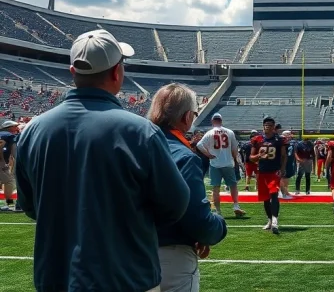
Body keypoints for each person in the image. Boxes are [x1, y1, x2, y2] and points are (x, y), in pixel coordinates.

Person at [15, 29, 190, 292]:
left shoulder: (32, 130)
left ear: (73, 72)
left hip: (55, 277)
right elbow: (175, 205)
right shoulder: (141, 131)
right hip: (126, 277)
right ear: (117, 73)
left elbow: (30, 206)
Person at [149, 84, 227, 292]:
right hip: (171, 254)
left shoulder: (131, 146)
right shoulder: (184, 157)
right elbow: (197, 220)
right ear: (186, 117)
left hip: (126, 252)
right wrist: (218, 226)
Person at [196, 114, 245, 216]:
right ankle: (236, 206)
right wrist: (235, 160)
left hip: (215, 163)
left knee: (216, 188)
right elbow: (234, 149)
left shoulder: (210, 133)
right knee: (233, 185)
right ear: (221, 121)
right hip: (228, 162)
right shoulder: (229, 132)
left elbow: (199, 145)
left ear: (212, 121)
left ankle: (218, 211)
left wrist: (208, 154)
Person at [250, 117, 288, 234]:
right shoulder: (257, 139)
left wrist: (282, 169)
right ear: (263, 126)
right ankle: (270, 220)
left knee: (274, 194)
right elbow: (251, 158)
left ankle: (275, 221)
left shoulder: (279, 140)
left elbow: (284, 156)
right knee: (265, 198)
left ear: (273, 126)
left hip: (274, 172)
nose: (267, 126)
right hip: (262, 172)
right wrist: (259, 156)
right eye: (266, 124)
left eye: (270, 125)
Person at [0, 119, 21, 212]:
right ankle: (9, 204)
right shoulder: (9, 135)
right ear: (10, 127)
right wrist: (3, 161)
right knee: (9, 181)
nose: (17, 127)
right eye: (15, 126)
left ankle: (8, 204)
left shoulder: (3, 134)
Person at [280, 130, 297, 199]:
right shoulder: (281, 142)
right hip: (283, 161)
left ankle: (285, 190)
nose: (290, 135)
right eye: (288, 134)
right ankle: (284, 192)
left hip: (289, 161)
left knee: (287, 176)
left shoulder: (290, 143)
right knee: (283, 177)